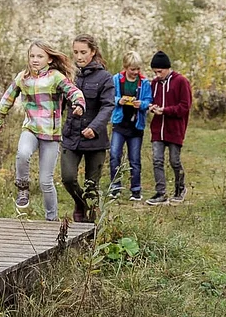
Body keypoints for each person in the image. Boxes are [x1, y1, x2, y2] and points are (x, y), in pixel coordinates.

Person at [0, 41, 86, 221]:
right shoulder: (23, 77)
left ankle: (51, 219)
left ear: (50, 59)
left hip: (51, 134)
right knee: (22, 153)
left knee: (46, 181)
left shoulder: (56, 77)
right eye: (32, 56)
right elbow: (7, 97)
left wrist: (79, 104)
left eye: (40, 56)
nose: (35, 60)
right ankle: (22, 188)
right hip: (31, 127)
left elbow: (74, 92)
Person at [60, 35, 114, 223]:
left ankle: (91, 229)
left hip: (94, 139)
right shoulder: (68, 76)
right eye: (75, 52)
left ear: (92, 52)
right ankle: (80, 203)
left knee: (92, 186)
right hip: (71, 136)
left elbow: (108, 106)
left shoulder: (105, 78)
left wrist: (95, 127)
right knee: (67, 178)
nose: (79, 56)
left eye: (83, 52)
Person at [146, 50, 192, 205]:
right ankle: (160, 193)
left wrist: (165, 110)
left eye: (160, 71)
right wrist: (152, 107)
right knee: (157, 160)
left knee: (174, 160)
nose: (158, 74)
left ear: (167, 68)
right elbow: (151, 99)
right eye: (155, 72)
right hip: (158, 128)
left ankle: (180, 188)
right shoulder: (154, 83)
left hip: (175, 128)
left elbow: (185, 107)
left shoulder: (181, 82)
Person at [108, 51, 152, 201]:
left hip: (136, 125)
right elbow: (109, 97)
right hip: (120, 123)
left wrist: (142, 104)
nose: (135, 72)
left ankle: (136, 189)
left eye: (137, 69)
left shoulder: (144, 83)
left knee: (135, 159)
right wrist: (118, 100)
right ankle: (115, 187)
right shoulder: (116, 79)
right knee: (114, 155)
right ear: (126, 67)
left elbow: (148, 100)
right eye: (132, 69)